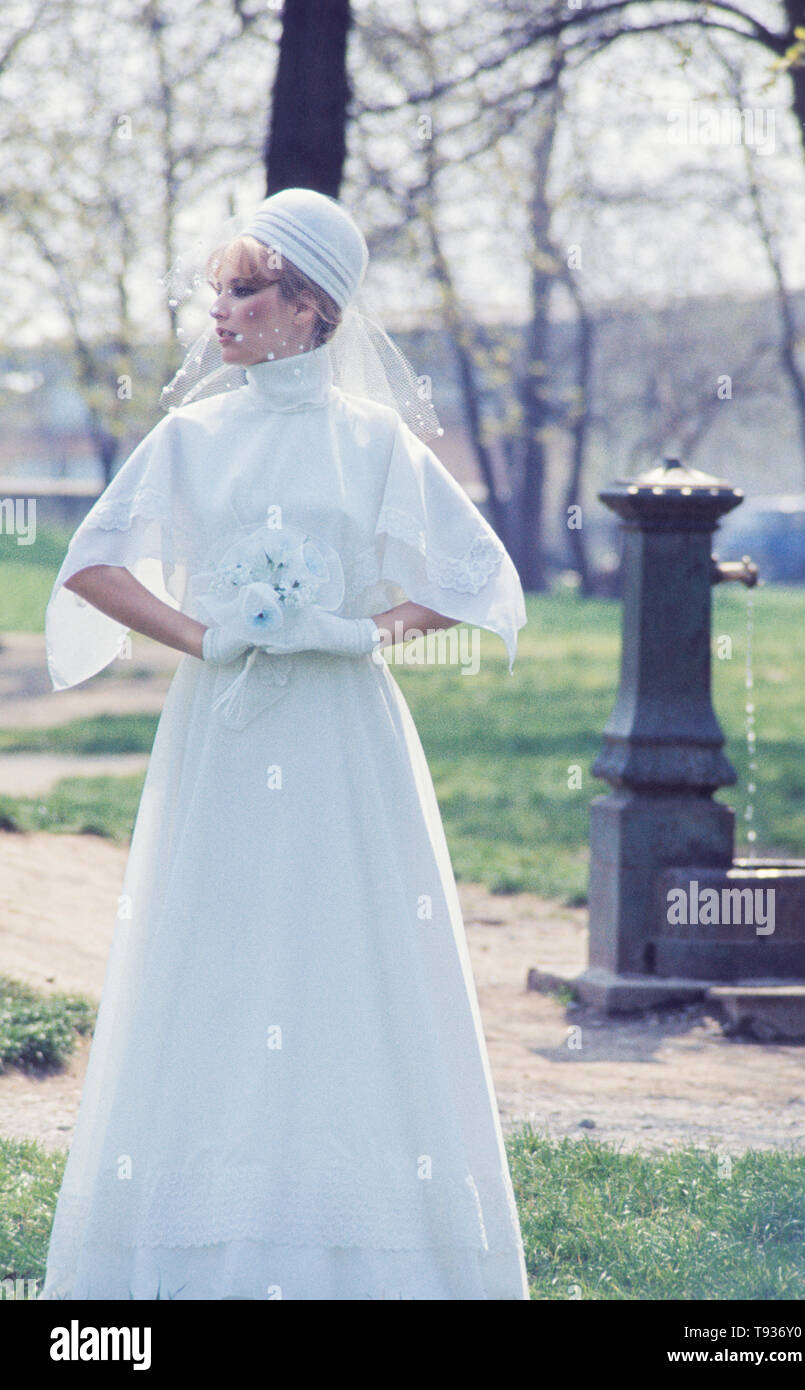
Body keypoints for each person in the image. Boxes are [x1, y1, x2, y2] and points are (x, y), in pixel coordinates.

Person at [38, 187, 530, 1301]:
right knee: (214, 948)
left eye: (248, 290)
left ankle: (356, 1239)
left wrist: (365, 628)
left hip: (343, 735)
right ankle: (203, 1233)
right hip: (223, 729)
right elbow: (93, 564)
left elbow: (474, 577)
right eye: (218, 289)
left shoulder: (374, 442)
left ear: (313, 311)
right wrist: (204, 637)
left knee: (343, 946)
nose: (222, 311)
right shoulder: (192, 436)